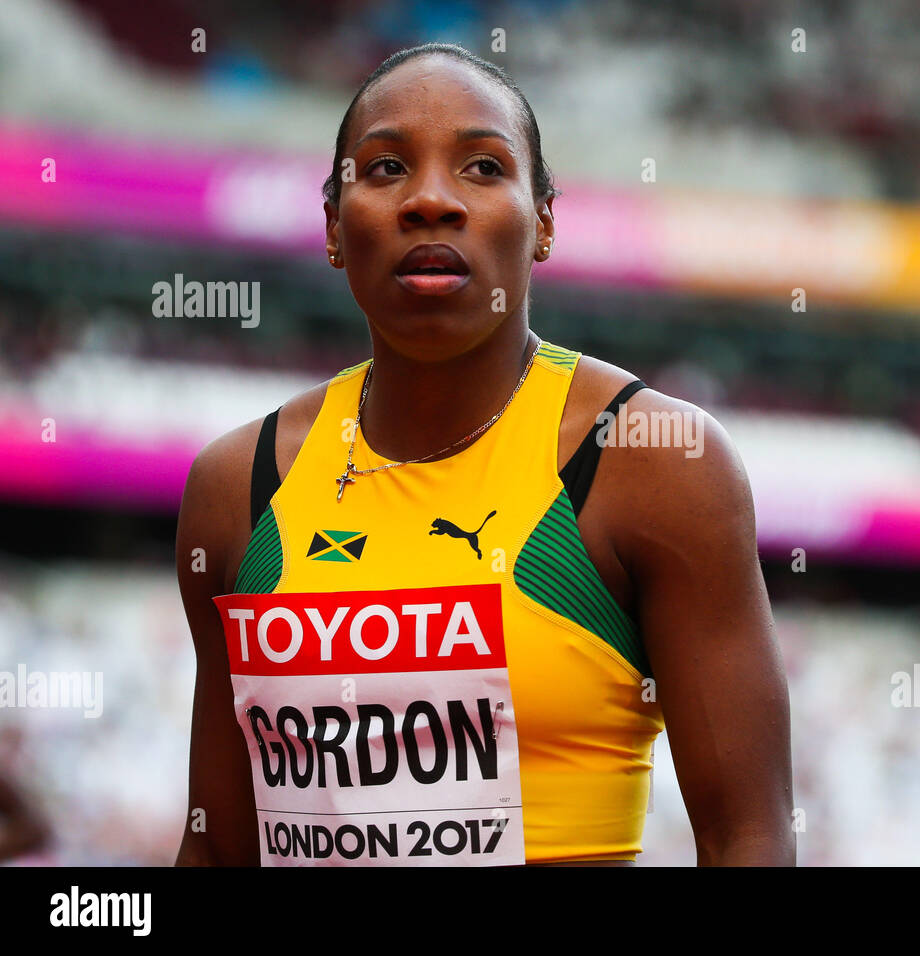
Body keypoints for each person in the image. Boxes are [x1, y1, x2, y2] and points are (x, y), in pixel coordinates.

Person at [174, 42, 792, 866]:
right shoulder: (237, 487)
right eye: (386, 167)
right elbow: (218, 848)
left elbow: (746, 838)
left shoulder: (652, 461)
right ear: (332, 225)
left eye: (483, 167)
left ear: (542, 222)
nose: (431, 200)